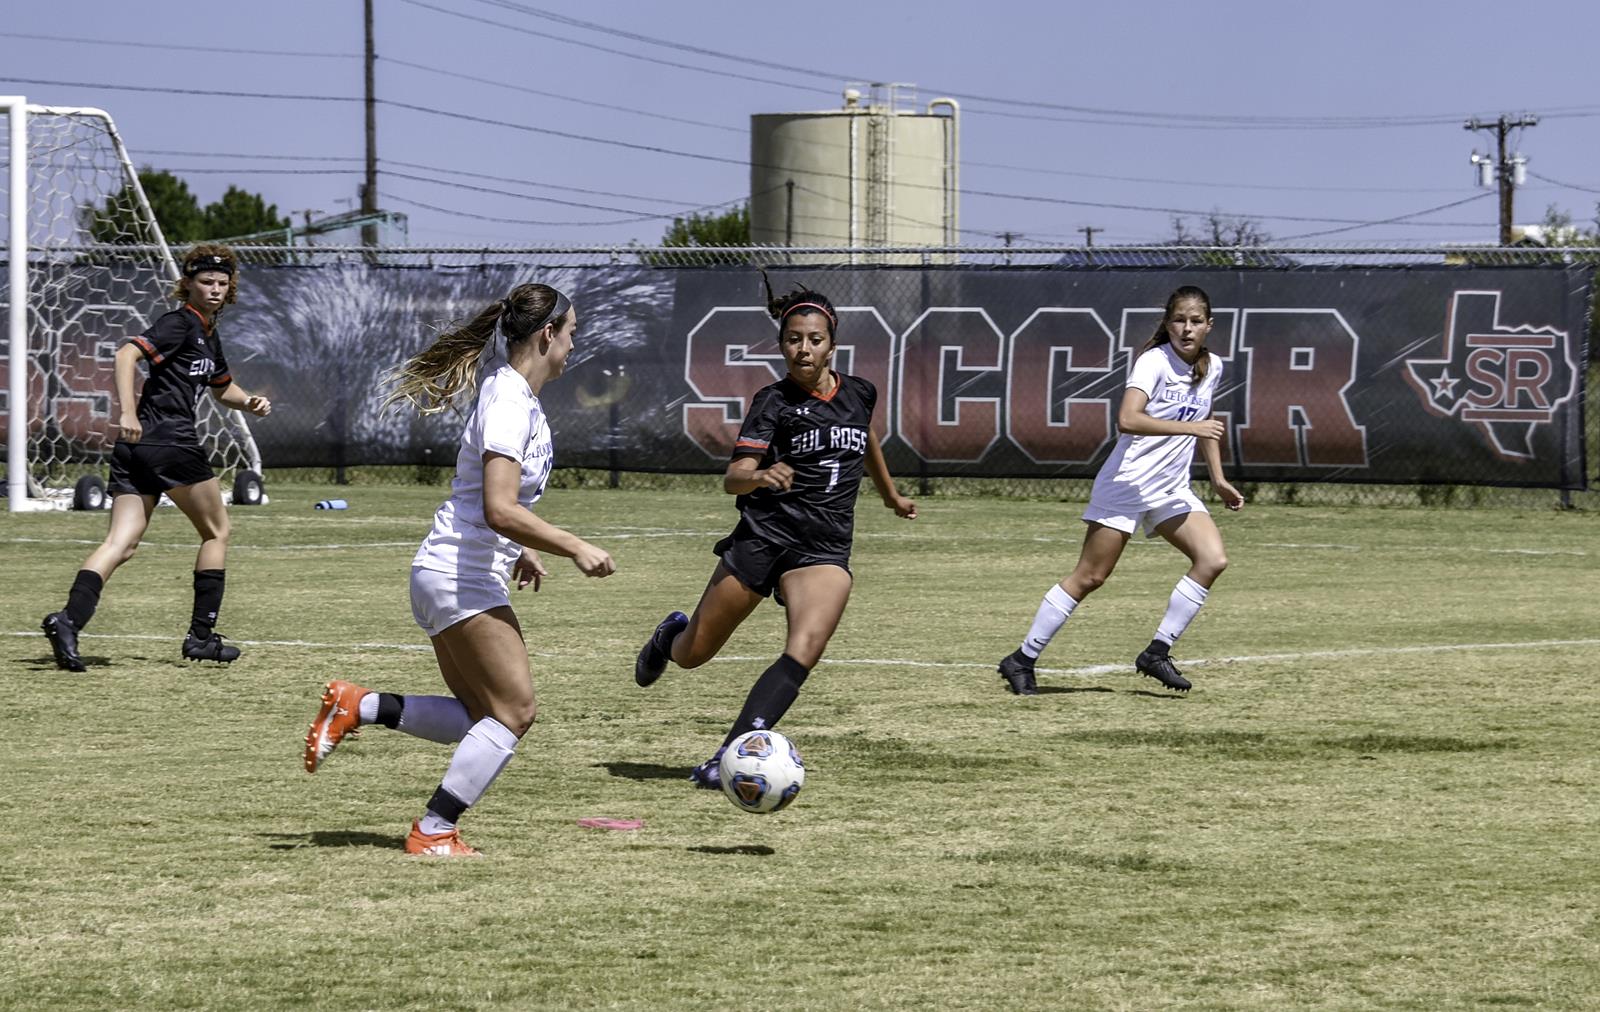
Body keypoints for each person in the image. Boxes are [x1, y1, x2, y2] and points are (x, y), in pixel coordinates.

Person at [302, 283, 615, 858]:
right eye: (571, 332)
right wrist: (573, 545)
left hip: (453, 571)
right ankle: (435, 831)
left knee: (482, 715)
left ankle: (359, 705)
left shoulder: (516, 394)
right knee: (516, 711)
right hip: (457, 574)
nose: (574, 344)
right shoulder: (509, 400)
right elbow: (498, 507)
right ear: (547, 334)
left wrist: (521, 546)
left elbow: (492, 504)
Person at [633, 277, 917, 788]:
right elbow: (733, 477)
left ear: (833, 343)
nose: (803, 348)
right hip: (763, 536)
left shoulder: (860, 392)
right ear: (782, 344)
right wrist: (762, 474)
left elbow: (866, 438)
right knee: (694, 654)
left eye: (814, 339)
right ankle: (666, 638)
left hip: (823, 545)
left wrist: (891, 494)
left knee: (805, 647)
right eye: (793, 339)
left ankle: (727, 759)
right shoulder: (773, 401)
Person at [996, 284, 1244, 696]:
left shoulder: (1212, 366)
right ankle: (1021, 659)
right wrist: (1191, 427)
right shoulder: (1154, 362)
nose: (1187, 328)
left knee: (1213, 559)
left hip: (1170, 489)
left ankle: (1157, 652)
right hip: (1127, 485)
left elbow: (1207, 421)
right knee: (1091, 576)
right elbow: (1127, 419)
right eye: (1179, 320)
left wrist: (1218, 478)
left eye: (1196, 321)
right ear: (1167, 323)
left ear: (1209, 326)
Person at [40, 243, 272, 672]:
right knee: (217, 532)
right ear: (187, 285)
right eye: (206, 282)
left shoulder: (207, 333)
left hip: (139, 449)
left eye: (222, 283)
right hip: (170, 443)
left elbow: (222, 388)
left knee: (120, 544)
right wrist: (126, 410)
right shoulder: (180, 324)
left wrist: (251, 402)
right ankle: (201, 638)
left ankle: (68, 620)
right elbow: (127, 352)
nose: (215, 289)